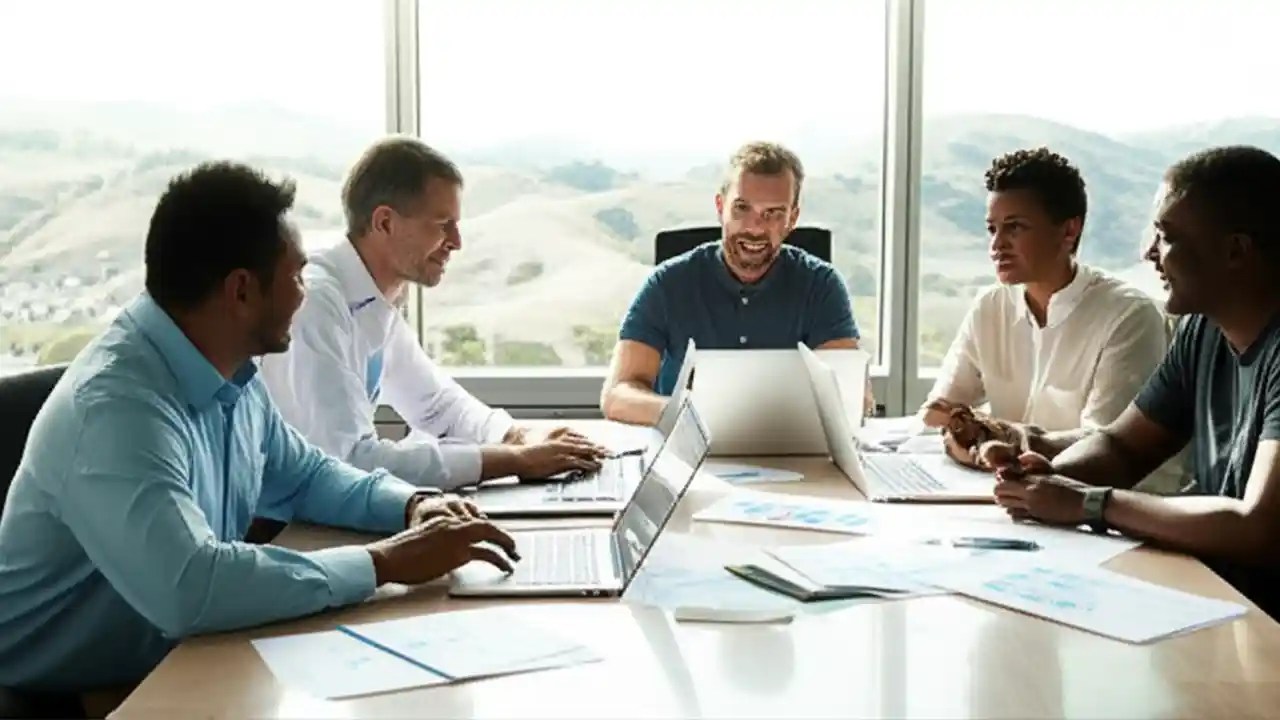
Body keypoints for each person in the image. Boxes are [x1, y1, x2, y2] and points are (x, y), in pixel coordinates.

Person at [0, 162, 519, 693]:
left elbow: (306, 475)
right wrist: (384, 563)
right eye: (296, 276)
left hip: (173, 655)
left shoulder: (230, 368)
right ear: (241, 291)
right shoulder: (117, 411)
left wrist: (413, 505)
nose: (304, 293)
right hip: (58, 692)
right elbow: (193, 587)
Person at [982, 145, 1280, 618]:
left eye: (1165, 236)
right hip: (1215, 597)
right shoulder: (1202, 332)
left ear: (1234, 251)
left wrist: (1090, 503)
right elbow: (1123, 446)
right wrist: (1044, 480)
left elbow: (1259, 528)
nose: (1149, 253)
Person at [260, 137, 607, 491]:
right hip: (284, 526)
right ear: (384, 223)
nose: (456, 241)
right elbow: (349, 460)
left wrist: (518, 436)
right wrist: (516, 461)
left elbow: (435, 405)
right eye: (443, 224)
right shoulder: (317, 304)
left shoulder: (374, 299)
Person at [919, 147, 1181, 493]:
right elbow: (938, 414)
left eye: (1015, 228)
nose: (997, 244)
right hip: (1018, 495)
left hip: (1114, 510)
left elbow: (1105, 445)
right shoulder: (990, 306)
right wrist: (973, 433)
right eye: (992, 228)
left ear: (1069, 230)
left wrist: (989, 434)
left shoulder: (1129, 316)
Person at [601, 141, 869, 426]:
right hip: (687, 449)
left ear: (792, 218)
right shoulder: (667, 284)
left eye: (773, 213)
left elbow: (850, 398)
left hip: (790, 454)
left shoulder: (822, 285)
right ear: (721, 206)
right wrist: (690, 417)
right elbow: (618, 395)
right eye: (742, 208)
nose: (755, 228)